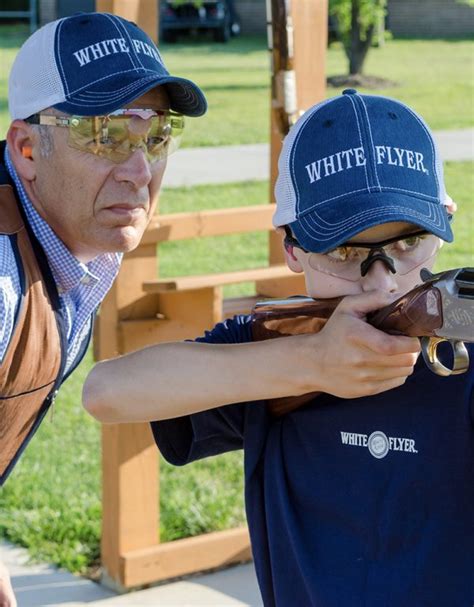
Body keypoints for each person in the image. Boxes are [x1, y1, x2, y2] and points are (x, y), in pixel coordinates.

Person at [83, 90, 473, 606]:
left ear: (445, 221)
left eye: (407, 245)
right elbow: (107, 392)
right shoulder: (275, 353)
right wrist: (311, 364)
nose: (382, 285)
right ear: (292, 247)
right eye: (343, 250)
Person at [0, 11, 209, 606]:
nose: (141, 171)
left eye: (157, 135)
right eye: (106, 134)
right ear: (27, 149)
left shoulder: (75, 243)